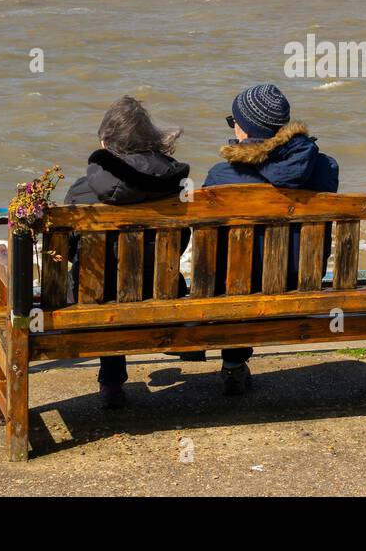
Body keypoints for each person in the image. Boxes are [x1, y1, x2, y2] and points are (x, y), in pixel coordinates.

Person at [203, 83, 340, 395]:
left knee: (236, 272)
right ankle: (235, 365)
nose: (233, 127)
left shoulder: (222, 177)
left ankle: (234, 364)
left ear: (247, 129)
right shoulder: (325, 168)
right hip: (304, 279)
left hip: (241, 289)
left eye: (233, 122)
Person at [64, 96, 190, 410]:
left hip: (92, 303)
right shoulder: (178, 189)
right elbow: (183, 241)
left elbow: (67, 249)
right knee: (125, 276)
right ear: (151, 142)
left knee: (100, 280)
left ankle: (110, 384)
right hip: (163, 296)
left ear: (106, 144)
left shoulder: (82, 191)